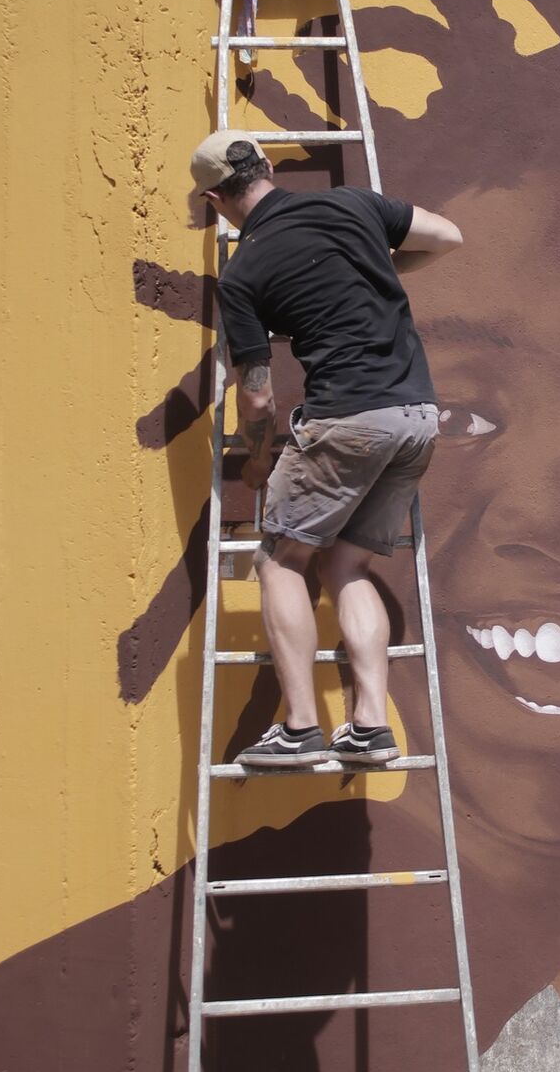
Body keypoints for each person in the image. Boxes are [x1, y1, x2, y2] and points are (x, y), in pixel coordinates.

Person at [189, 128, 462, 770]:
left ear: (214, 199)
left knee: (282, 562)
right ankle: (368, 727)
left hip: (348, 420)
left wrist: (258, 461)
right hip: (417, 416)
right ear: (268, 166)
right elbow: (448, 236)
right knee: (348, 568)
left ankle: (301, 727)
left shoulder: (244, 273)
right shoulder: (354, 205)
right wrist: (374, 267)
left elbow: (256, 399)